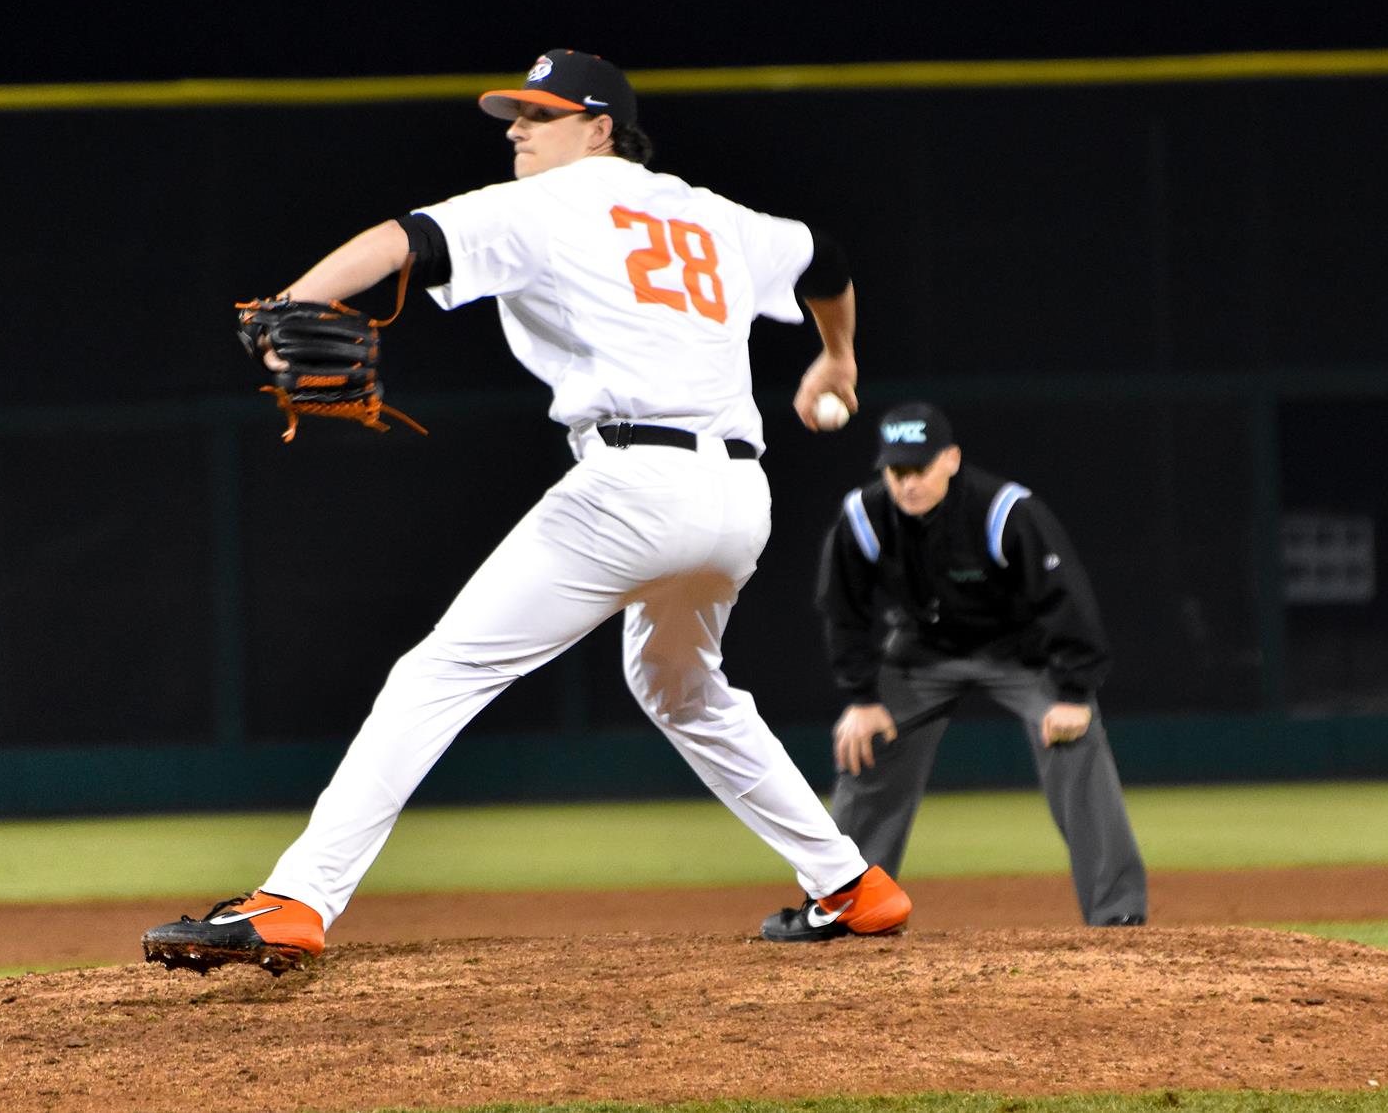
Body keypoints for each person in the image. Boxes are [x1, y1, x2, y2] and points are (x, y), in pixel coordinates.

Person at [143, 49, 911, 972]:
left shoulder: (552, 201)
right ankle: (851, 885)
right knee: (683, 688)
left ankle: (297, 900)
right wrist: (839, 358)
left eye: (540, 116)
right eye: (515, 114)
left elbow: (404, 239)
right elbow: (824, 259)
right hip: (738, 498)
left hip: (630, 487)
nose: (516, 129)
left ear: (600, 132)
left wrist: (296, 300)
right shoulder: (715, 214)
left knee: (439, 675)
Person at [813, 402, 1147, 925]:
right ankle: (848, 907)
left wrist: (1074, 694)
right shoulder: (864, 516)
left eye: (919, 468)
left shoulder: (1005, 510)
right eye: (896, 471)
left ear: (951, 459)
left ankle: (1118, 915)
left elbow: (1066, 602)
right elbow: (844, 613)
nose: (907, 484)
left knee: (1075, 741)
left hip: (1021, 652)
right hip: (922, 653)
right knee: (866, 744)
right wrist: (862, 699)